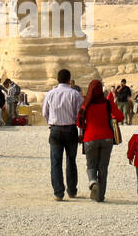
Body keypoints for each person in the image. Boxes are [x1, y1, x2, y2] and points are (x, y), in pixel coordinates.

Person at [79, 79, 122, 201]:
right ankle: (100, 197)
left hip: (90, 138)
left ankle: (93, 181)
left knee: (91, 165)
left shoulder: (85, 105)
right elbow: (120, 116)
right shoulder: (107, 103)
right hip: (107, 138)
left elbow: (79, 122)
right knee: (103, 168)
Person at [43, 68, 82, 201]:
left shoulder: (51, 93)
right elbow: (79, 115)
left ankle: (58, 193)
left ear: (57, 79)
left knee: (55, 162)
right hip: (71, 129)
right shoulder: (75, 94)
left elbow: (45, 113)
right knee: (71, 161)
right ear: (69, 79)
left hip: (55, 130)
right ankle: (72, 191)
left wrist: (51, 122)